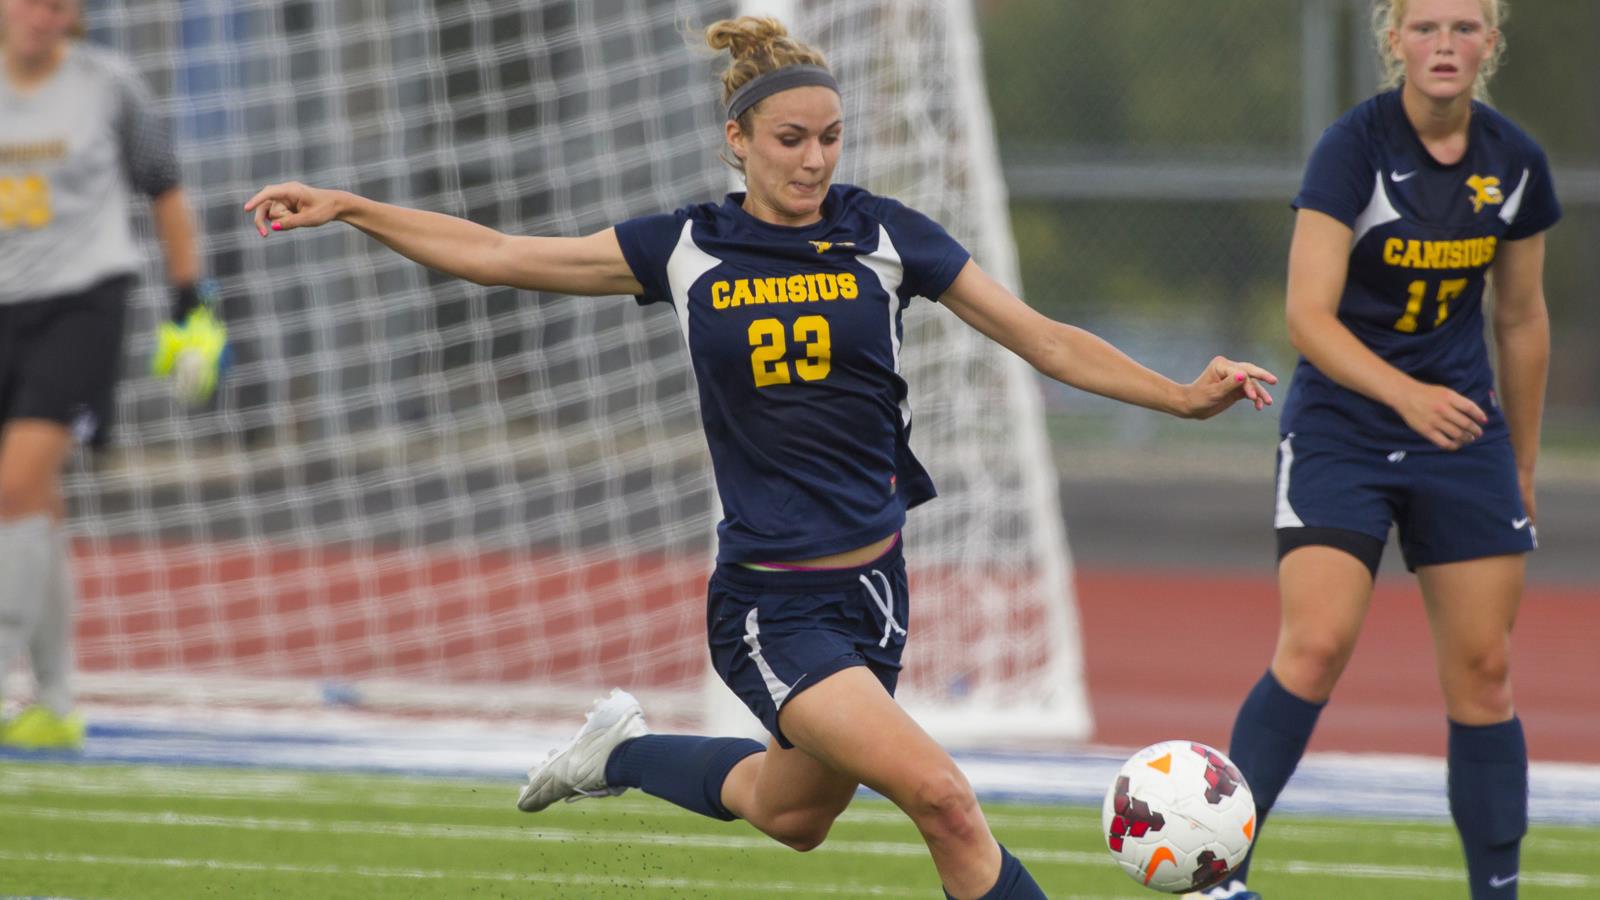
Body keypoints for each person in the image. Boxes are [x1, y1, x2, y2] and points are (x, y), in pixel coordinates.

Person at [245, 16, 1275, 898]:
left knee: (791, 815)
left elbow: (1042, 336)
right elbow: (505, 256)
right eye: (790, 139)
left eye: (830, 137)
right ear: (738, 139)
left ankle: (622, 753)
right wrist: (355, 208)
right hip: (771, 602)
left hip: (873, 589)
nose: (814, 159)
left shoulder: (884, 237)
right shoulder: (687, 247)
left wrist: (1179, 396)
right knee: (945, 803)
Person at [1194, 2, 1558, 899]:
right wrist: (1404, 396)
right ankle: (1218, 873)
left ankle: (1496, 889)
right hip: (1343, 427)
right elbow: (1305, 317)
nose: (1446, 45)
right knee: (1315, 645)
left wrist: (1521, 463)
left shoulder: (1513, 161)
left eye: (1465, 27)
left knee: (1484, 671)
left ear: (1490, 43)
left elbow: (1519, 317)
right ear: (1393, 39)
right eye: (1426, 27)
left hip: (1461, 432)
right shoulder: (1352, 148)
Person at [0, 0, 228, 750]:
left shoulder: (111, 85)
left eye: (60, 4)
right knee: (36, 501)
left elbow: (164, 188)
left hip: (84, 301)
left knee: (14, 485)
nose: (43, 14)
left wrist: (190, 302)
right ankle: (58, 702)